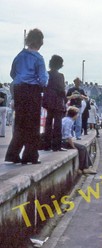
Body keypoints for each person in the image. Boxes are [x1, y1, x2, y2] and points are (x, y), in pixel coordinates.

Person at [5, 28, 48, 164]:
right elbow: (43, 80)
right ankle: (30, 156)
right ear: (40, 42)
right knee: (33, 124)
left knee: (20, 123)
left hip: (19, 90)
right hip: (32, 91)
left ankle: (12, 154)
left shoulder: (19, 56)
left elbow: (12, 73)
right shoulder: (38, 58)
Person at [42, 55, 67, 151]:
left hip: (48, 101)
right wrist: (65, 100)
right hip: (57, 102)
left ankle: (46, 144)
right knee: (57, 123)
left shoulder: (47, 74)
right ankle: (56, 145)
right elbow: (62, 90)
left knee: (48, 122)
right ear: (60, 65)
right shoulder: (60, 76)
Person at [62, 106, 96, 174]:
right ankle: (84, 168)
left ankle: (86, 167)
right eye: (77, 114)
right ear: (74, 115)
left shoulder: (65, 119)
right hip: (63, 142)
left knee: (82, 147)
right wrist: (73, 146)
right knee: (82, 148)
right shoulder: (69, 121)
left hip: (61, 141)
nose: (78, 116)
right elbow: (67, 136)